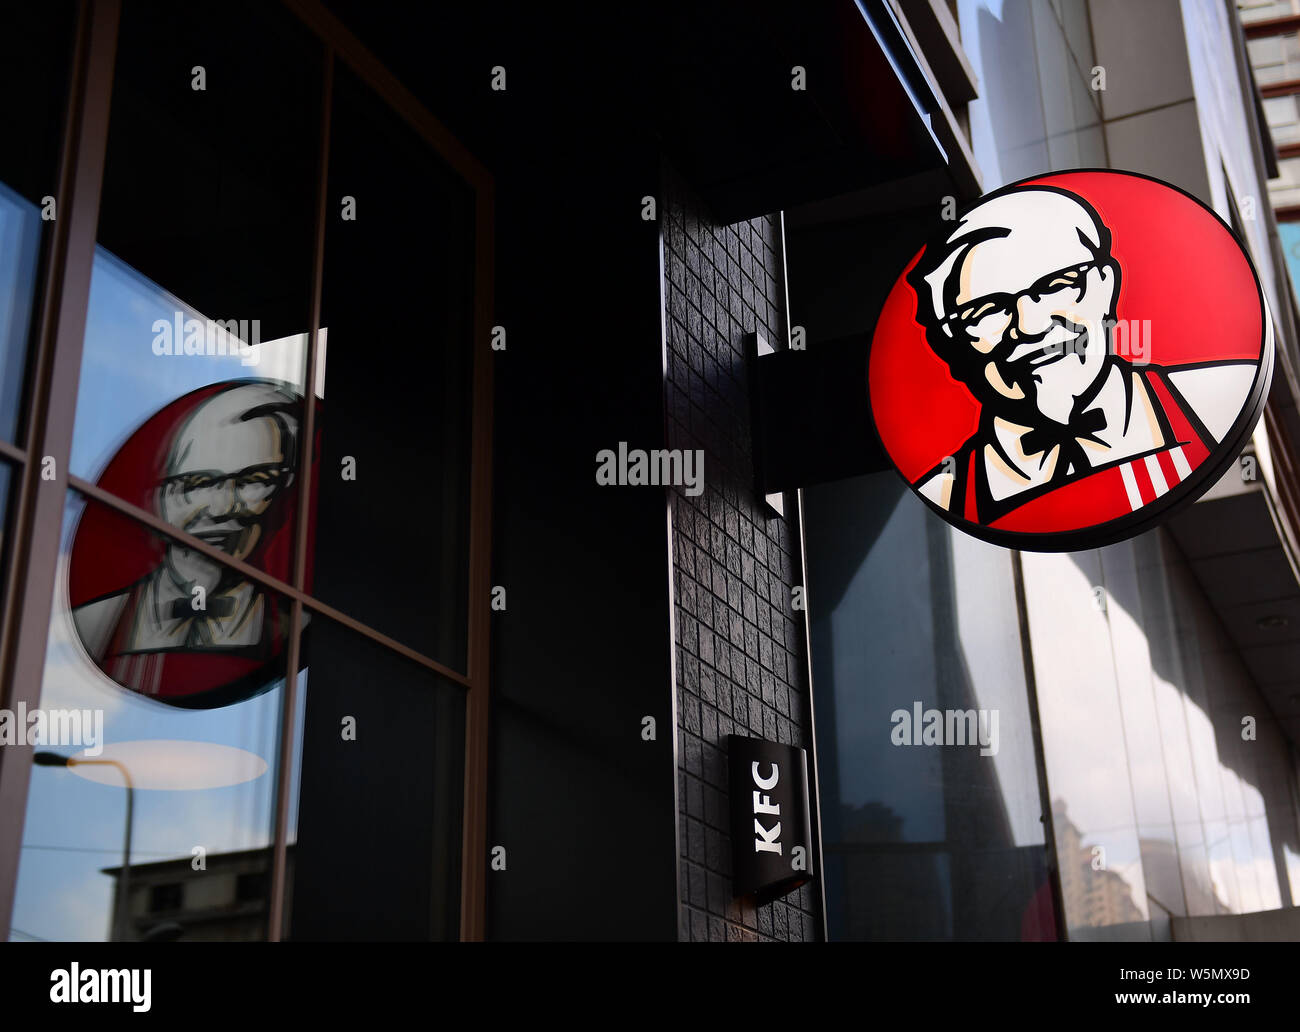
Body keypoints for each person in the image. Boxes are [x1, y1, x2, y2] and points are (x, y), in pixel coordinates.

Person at [908, 184, 1260, 528]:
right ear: (948, 342)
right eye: (986, 310)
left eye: (1056, 285)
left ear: (1106, 285)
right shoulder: (944, 494)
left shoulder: (1215, 402)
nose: (1030, 327)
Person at [72, 381, 300, 702]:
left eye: (254, 480)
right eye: (196, 483)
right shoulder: (93, 623)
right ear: (159, 497)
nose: (220, 508)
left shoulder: (290, 628)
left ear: (286, 494)